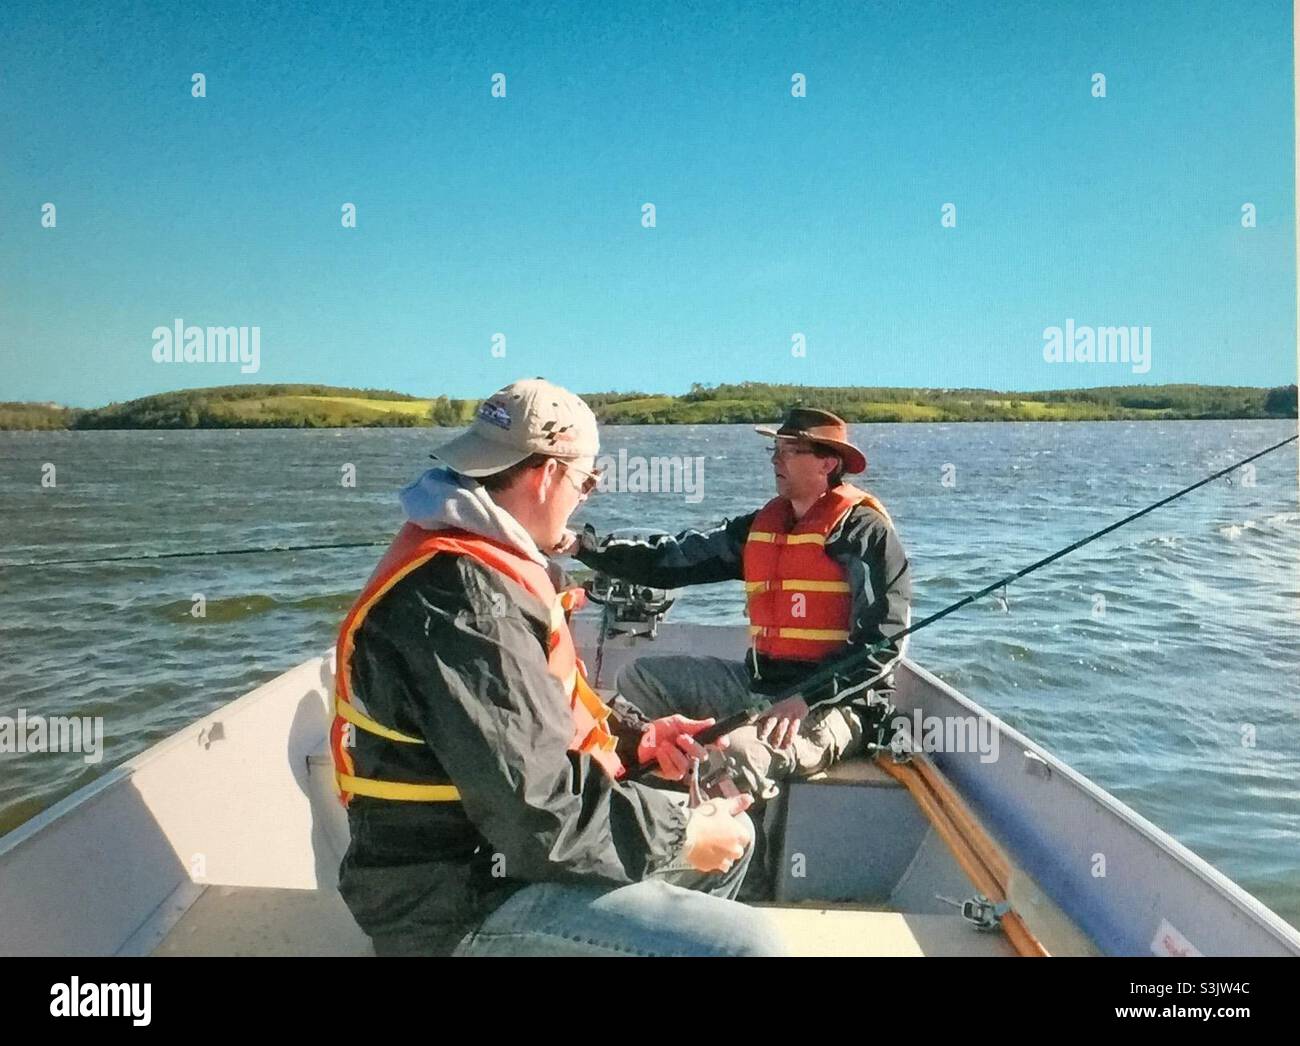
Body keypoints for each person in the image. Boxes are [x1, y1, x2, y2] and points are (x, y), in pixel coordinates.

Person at [330, 378, 785, 957]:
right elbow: (537, 816)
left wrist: (639, 740)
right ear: (547, 475)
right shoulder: (466, 599)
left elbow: (538, 717)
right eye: (586, 482)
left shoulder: (474, 565)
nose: (584, 497)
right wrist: (684, 831)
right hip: (455, 904)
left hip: (501, 864)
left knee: (732, 846)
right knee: (749, 946)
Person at [564, 408, 912, 802]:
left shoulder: (865, 533)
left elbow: (885, 642)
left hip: (838, 707)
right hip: (760, 688)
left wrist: (807, 698)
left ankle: (729, 848)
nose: (775, 460)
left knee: (739, 755)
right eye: (775, 450)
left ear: (828, 463)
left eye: (790, 450)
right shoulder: (760, 528)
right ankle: (657, 803)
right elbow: (673, 560)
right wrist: (582, 547)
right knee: (640, 679)